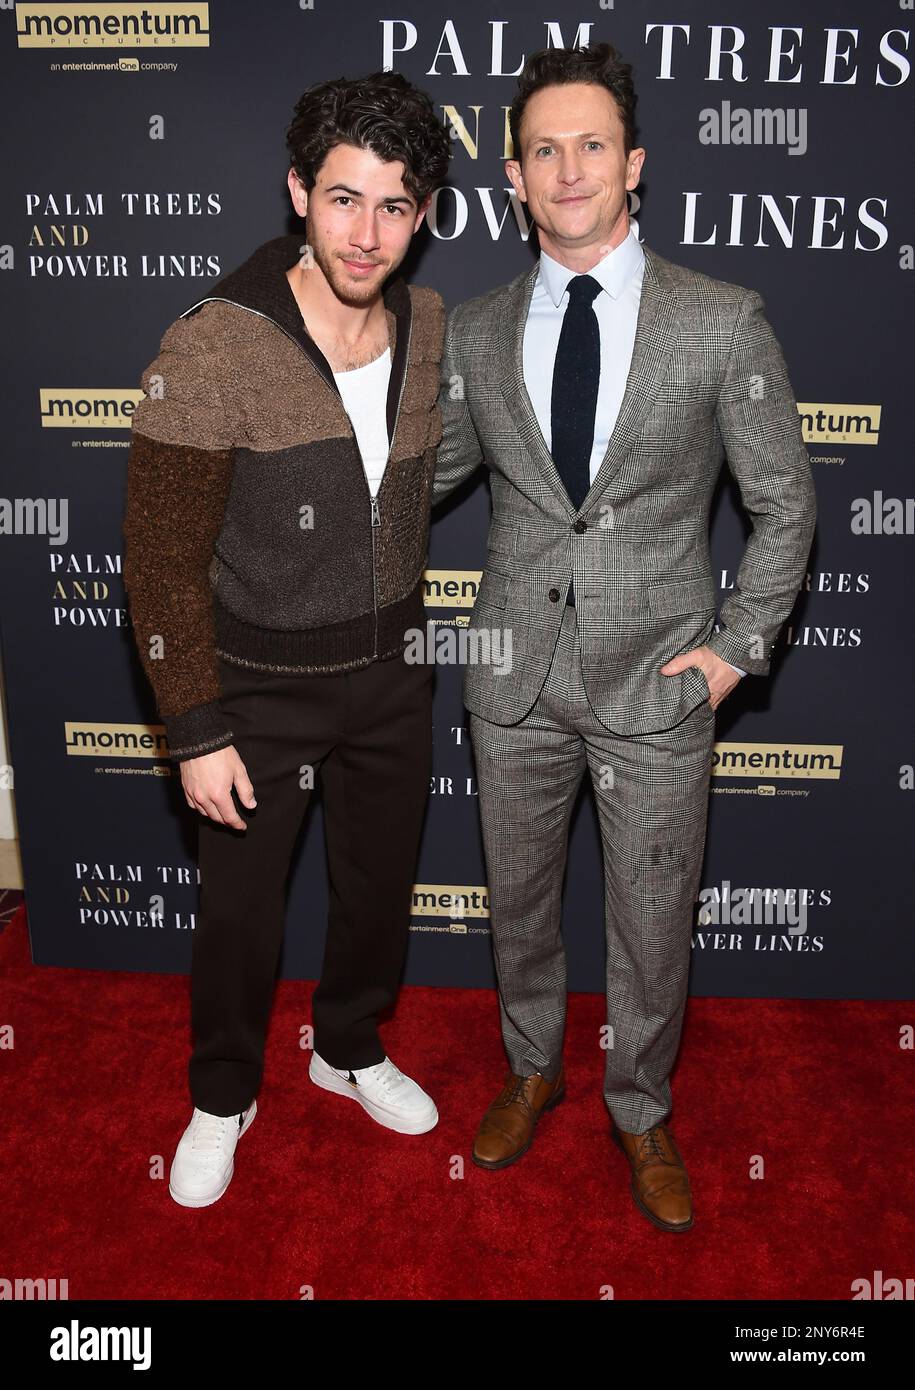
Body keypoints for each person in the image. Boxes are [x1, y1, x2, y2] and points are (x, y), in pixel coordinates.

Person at [433, 42, 816, 1232]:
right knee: (520, 901)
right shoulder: (475, 329)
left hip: (660, 681)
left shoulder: (721, 320)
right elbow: (422, 480)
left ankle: (640, 1105)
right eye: (542, 148)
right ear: (511, 177)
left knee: (654, 915)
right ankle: (533, 1065)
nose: (568, 167)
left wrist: (735, 650)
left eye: (591, 143)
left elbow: (784, 499)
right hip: (512, 678)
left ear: (634, 164)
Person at [122, 71, 451, 1207]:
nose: (368, 234)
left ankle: (347, 1046)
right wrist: (196, 725)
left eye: (397, 206)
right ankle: (223, 1092)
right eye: (346, 198)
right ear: (299, 190)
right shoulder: (216, 339)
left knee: (377, 889)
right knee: (240, 913)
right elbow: (160, 555)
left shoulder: (429, 316)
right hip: (256, 686)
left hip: (394, 670)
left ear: (422, 217)